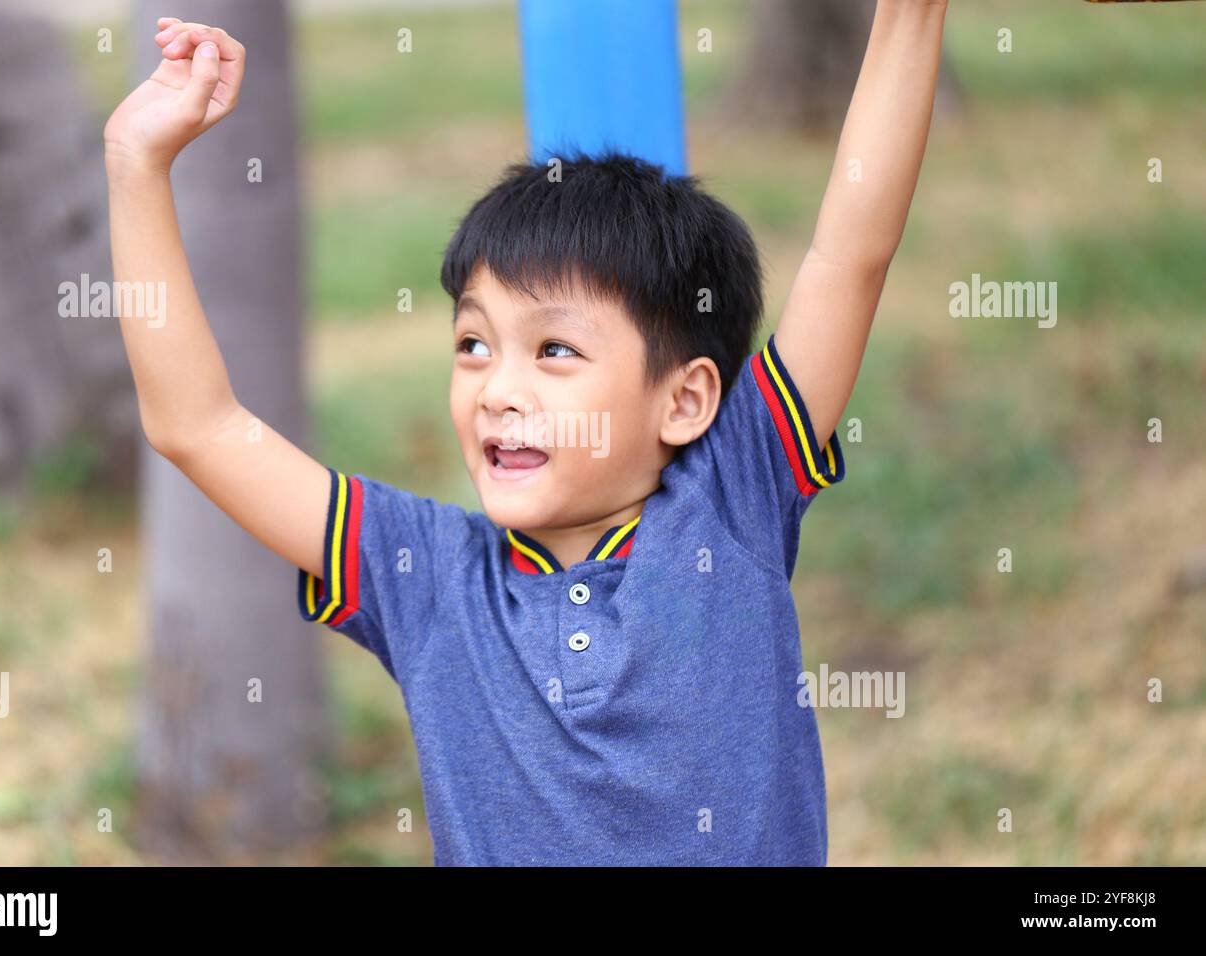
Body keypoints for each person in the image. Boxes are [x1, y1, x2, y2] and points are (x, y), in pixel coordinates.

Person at [103, 1, 949, 865]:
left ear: (686, 401)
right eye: (473, 344)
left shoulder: (735, 497)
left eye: (553, 348)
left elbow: (850, 256)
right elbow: (197, 426)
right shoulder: (423, 577)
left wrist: (909, 16)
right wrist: (136, 162)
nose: (498, 388)